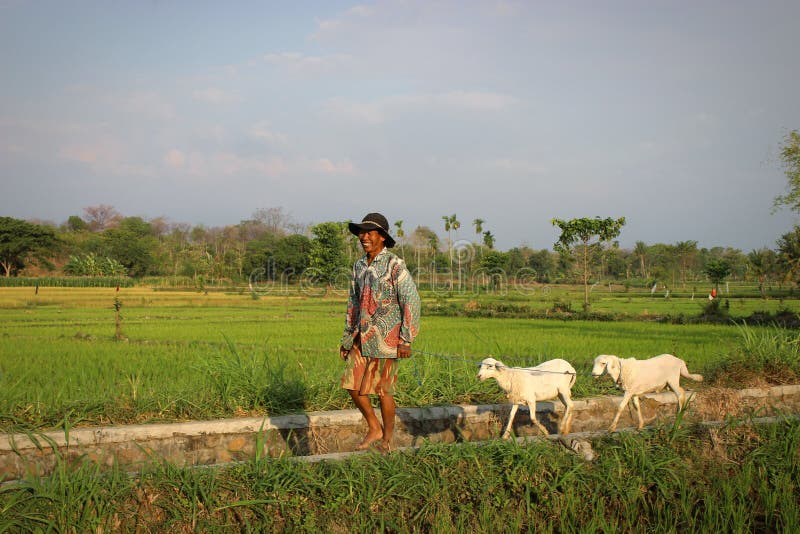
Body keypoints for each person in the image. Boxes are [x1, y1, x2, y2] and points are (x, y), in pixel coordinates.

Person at [339, 212, 421, 453]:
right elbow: (353, 302)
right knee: (352, 386)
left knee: (383, 391)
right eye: (361, 232)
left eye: (369, 232)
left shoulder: (395, 265)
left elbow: (412, 301)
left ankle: (387, 438)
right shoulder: (359, 265)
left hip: (388, 341)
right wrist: (347, 337)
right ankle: (374, 427)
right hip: (361, 337)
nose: (364, 237)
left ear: (382, 237)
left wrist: (406, 339)